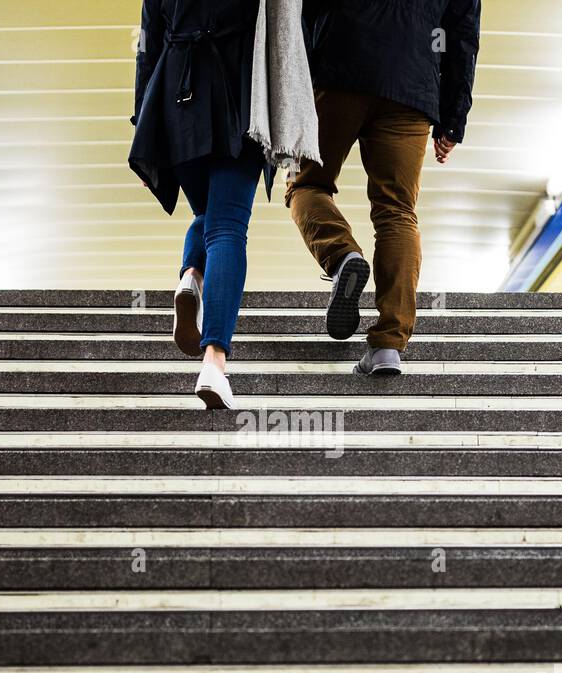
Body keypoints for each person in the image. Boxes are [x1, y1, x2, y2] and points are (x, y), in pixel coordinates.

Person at [130, 0, 318, 409]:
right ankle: (214, 361)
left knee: (209, 216)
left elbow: (148, 43)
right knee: (227, 227)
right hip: (239, 94)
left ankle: (192, 275)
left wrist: (143, 122)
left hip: (177, 98)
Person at [289, 0, 481, 376]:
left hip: (336, 69)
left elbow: (299, 12)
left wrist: (296, 87)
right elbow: (462, 34)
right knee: (397, 211)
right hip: (411, 86)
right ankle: (388, 345)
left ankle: (341, 254)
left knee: (306, 184)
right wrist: (452, 119)